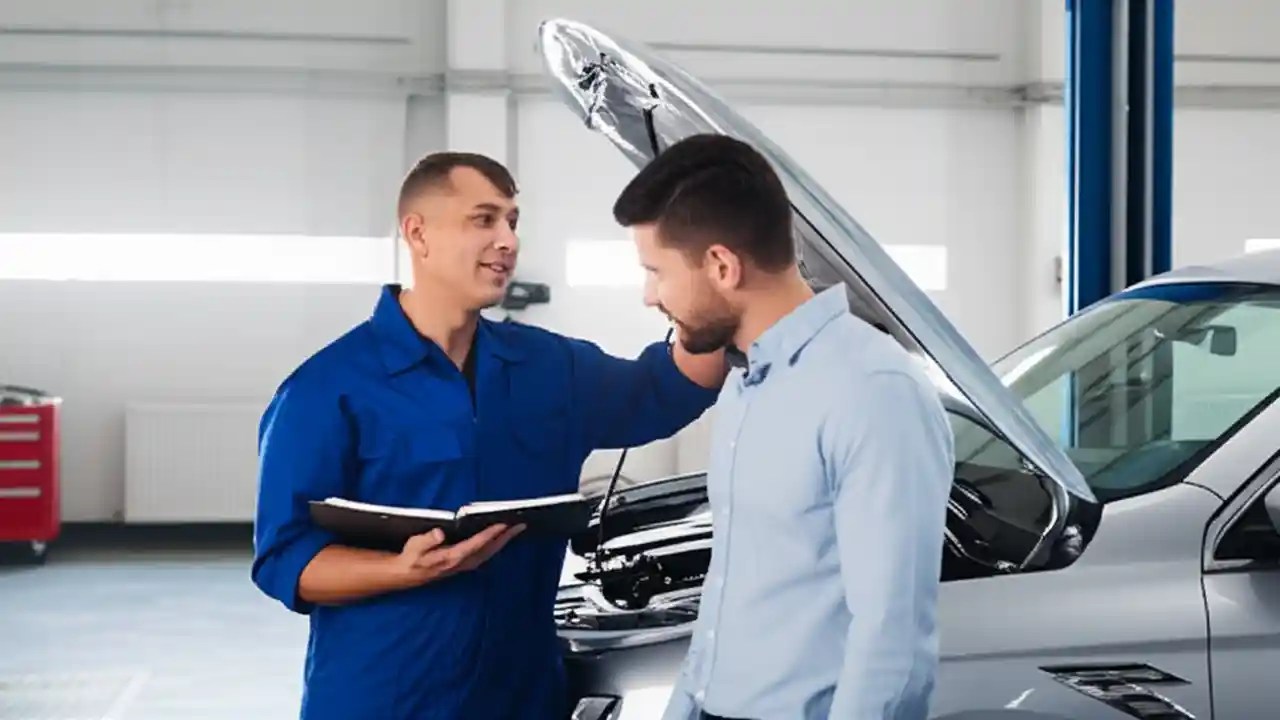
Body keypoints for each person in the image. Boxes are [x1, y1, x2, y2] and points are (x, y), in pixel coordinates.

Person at [251, 151, 726, 720]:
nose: (507, 240)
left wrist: (722, 305)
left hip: (521, 697)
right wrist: (403, 570)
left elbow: (664, 389)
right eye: (483, 219)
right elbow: (286, 559)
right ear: (418, 234)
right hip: (381, 697)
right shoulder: (325, 391)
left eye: (513, 221)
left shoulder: (548, 367)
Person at [612, 134, 955, 720]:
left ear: (722, 265)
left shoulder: (872, 390)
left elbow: (892, 643)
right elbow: (728, 594)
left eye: (656, 271)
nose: (650, 295)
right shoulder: (747, 383)